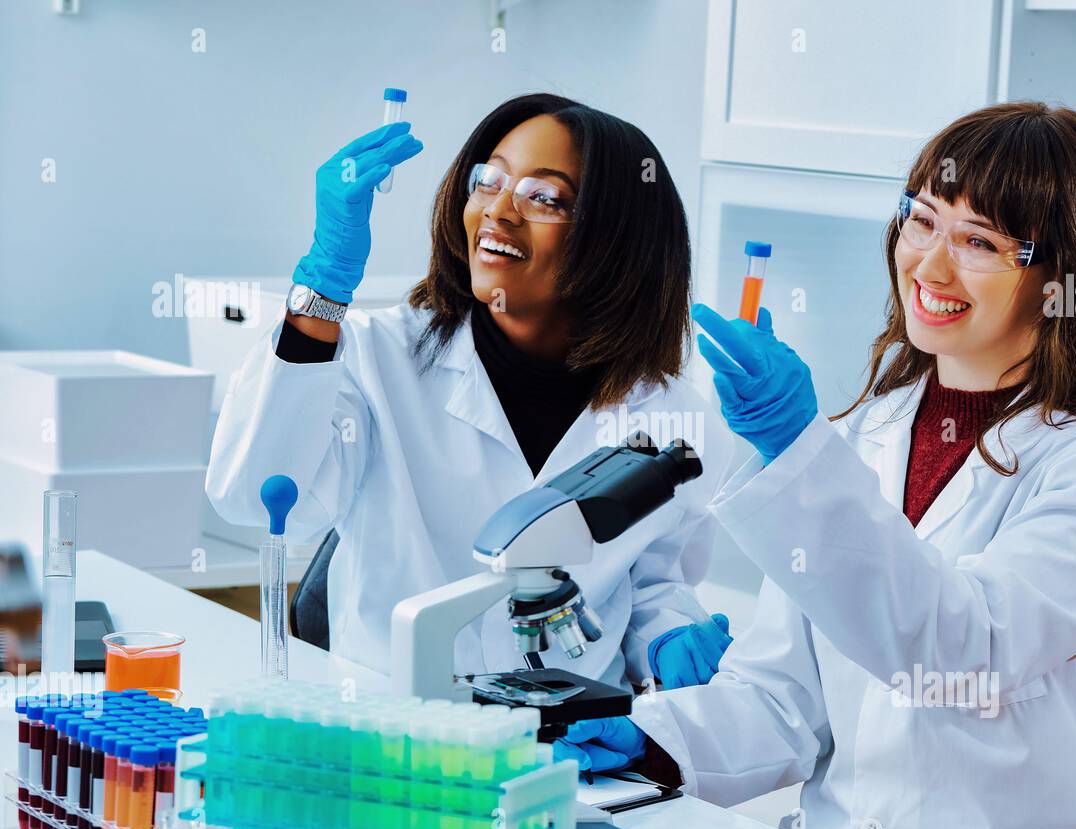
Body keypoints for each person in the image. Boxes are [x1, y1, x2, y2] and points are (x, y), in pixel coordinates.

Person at [557, 102, 1076, 829]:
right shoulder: (867, 432)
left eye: (979, 242)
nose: (931, 267)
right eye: (922, 221)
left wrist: (796, 452)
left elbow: (961, 650)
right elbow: (781, 697)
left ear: (1061, 278)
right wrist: (652, 735)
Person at [207, 93, 734, 691]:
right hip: (389, 720)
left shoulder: (671, 417)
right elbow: (259, 500)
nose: (498, 212)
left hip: (571, 730)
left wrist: (668, 638)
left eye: (544, 197)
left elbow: (651, 586)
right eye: (489, 181)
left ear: (617, 239)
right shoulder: (380, 358)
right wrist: (321, 291)